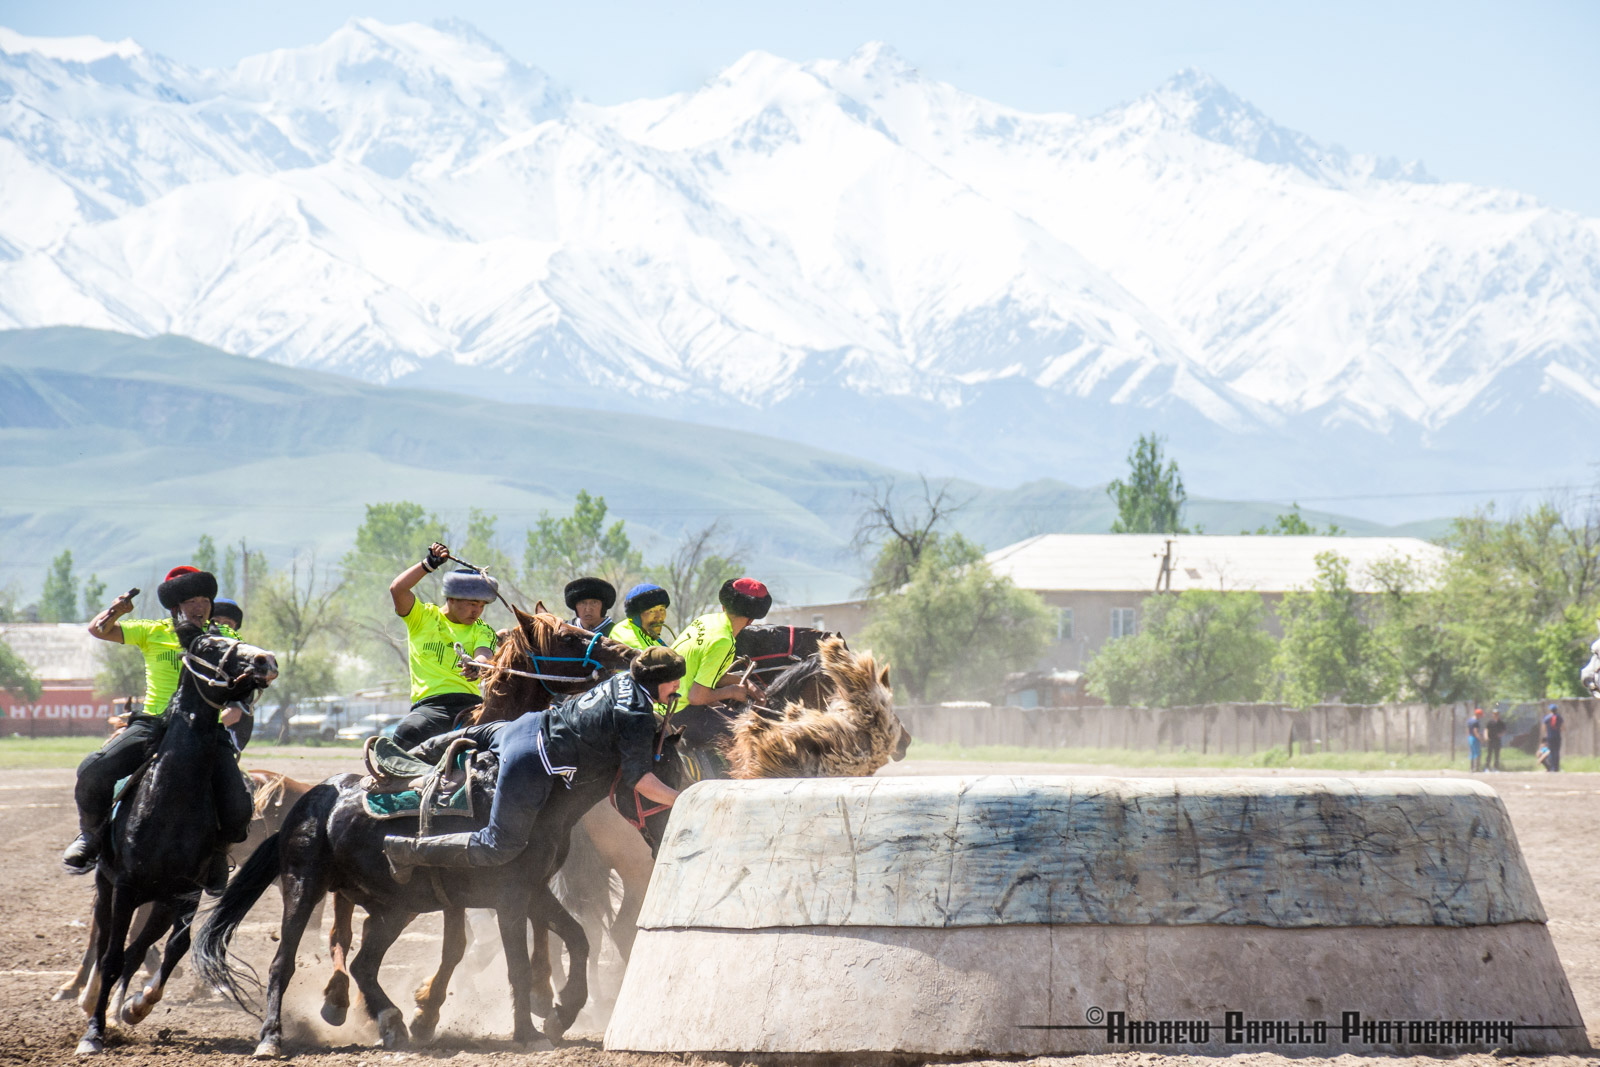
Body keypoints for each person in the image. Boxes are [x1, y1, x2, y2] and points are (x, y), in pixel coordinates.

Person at [382, 646, 686, 879]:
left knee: (478, 732)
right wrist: (683, 800)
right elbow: (640, 780)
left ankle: (413, 753)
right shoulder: (636, 713)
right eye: (674, 682)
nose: (677, 689)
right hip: (530, 760)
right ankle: (406, 850)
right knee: (499, 846)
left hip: (521, 725)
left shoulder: (623, 680)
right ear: (659, 680)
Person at [68, 566, 251, 892]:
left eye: (204, 599)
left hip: (207, 730)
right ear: (175, 606)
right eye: (190, 600)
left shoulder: (225, 637)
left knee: (238, 806)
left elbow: (243, 666)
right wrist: (116, 610)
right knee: (93, 769)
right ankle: (91, 836)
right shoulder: (152, 630)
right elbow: (98, 630)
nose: (199, 606)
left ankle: (218, 854)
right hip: (154, 723)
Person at [389, 543, 500, 750]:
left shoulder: (483, 630)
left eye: (482, 606)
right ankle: (391, 782)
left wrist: (477, 665)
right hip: (431, 708)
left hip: (471, 707)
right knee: (407, 732)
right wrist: (428, 565)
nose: (477, 611)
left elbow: (484, 654)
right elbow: (398, 589)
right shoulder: (422, 618)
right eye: (472, 603)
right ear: (451, 598)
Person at [671, 578, 770, 708]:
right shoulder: (723, 641)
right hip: (676, 708)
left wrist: (748, 684)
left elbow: (707, 675)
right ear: (750, 621)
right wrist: (731, 692)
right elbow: (696, 697)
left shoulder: (706, 619)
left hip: (662, 699)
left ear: (724, 607)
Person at [208, 597, 254, 750]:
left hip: (225, 738)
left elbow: (233, 713)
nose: (221, 627)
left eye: (227, 624)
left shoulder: (242, 667)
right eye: (215, 621)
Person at [609, 583, 670, 651]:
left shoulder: (653, 638)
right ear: (636, 615)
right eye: (652, 611)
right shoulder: (623, 633)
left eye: (662, 610)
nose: (659, 617)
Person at [1541, 703, 1563, 773]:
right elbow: (1563, 727)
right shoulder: (1559, 717)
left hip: (1550, 737)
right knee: (1557, 751)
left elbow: (1544, 728)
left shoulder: (1547, 718)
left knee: (1551, 751)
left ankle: (1552, 767)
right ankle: (1556, 767)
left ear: (1550, 710)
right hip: (1557, 736)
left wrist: (1547, 733)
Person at [1485, 707, 1506, 772]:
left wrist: (1501, 734)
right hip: (1490, 740)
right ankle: (1487, 767)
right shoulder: (1490, 722)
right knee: (1489, 754)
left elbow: (1504, 730)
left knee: (1497, 754)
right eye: (1494, 714)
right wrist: (1486, 736)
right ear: (1492, 714)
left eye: (1496, 714)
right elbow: (1486, 729)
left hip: (1497, 740)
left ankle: (1496, 768)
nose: (1495, 715)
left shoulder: (1501, 723)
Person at [1467, 708, 1485, 772]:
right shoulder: (1476, 722)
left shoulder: (1469, 720)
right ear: (1478, 714)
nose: (1480, 717)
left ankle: (1471, 768)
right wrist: (1480, 739)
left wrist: (1469, 737)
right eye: (1480, 715)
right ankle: (1477, 768)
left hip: (1470, 737)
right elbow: (1475, 731)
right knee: (1477, 753)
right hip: (1475, 738)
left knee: (1472, 752)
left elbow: (1468, 730)